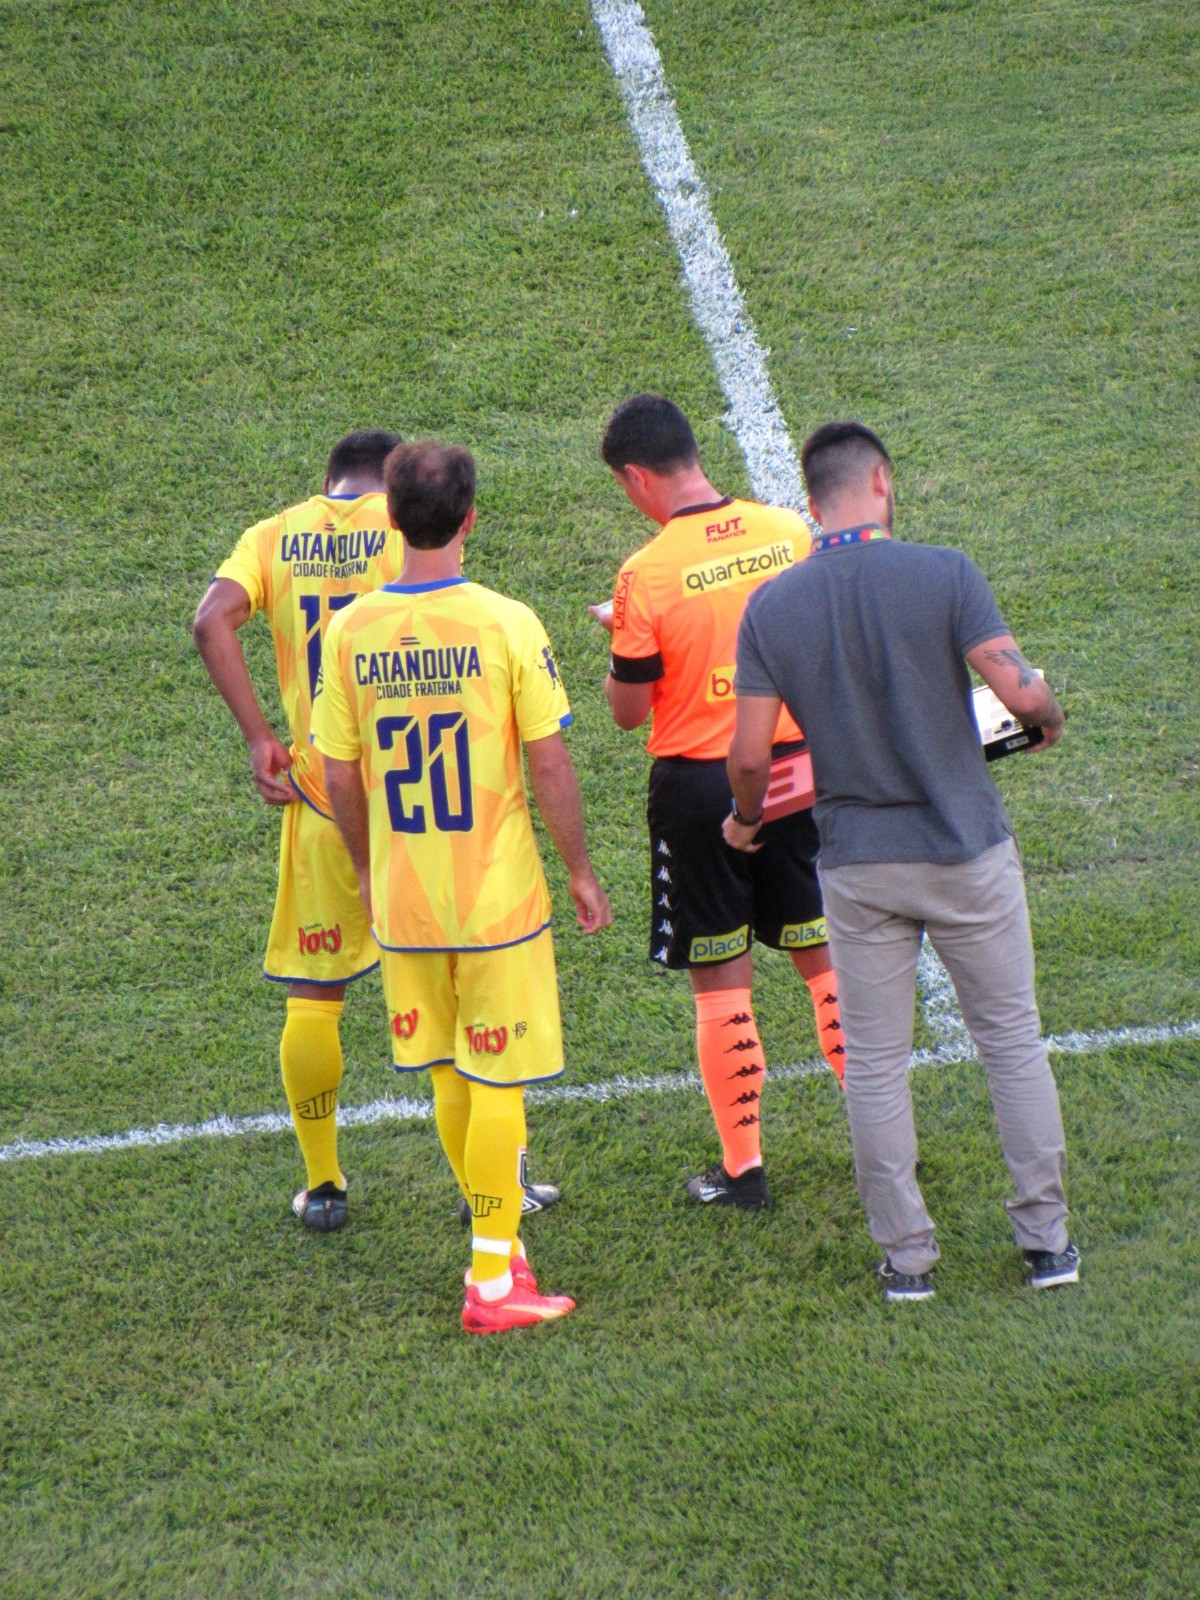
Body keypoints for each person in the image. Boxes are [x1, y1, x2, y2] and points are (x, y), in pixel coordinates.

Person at [725, 419, 1077, 1300]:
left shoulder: (773, 607)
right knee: (1011, 1044)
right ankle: (1047, 1244)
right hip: (966, 851)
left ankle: (909, 1261)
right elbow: (1020, 691)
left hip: (857, 866)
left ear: (811, 503)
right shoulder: (945, 573)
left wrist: (742, 821)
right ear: (881, 481)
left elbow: (749, 757)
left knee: (876, 1065)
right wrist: (1048, 721)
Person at [193, 431, 560, 1232]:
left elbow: (210, 620)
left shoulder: (275, 535)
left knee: (314, 998)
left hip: (329, 801)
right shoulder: (408, 528)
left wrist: (262, 738)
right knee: (472, 1015)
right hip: (437, 827)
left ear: (329, 480)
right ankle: (499, 1190)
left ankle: (323, 1182)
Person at [312, 441, 611, 1334]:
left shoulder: (351, 631)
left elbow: (338, 774)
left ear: (392, 522)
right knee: (500, 1079)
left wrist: (366, 870)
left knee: (449, 1071)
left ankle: (501, 1238)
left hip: (404, 901)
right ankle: (491, 1282)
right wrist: (581, 866)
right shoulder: (506, 623)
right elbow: (549, 765)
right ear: (471, 518)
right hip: (496, 901)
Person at [592, 393, 846, 1212]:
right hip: (803, 769)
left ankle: (745, 1171)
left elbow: (631, 709)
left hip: (702, 788)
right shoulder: (788, 533)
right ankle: (882, 1138)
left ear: (636, 477)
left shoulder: (646, 573)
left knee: (721, 979)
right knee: (826, 961)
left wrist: (621, 632)